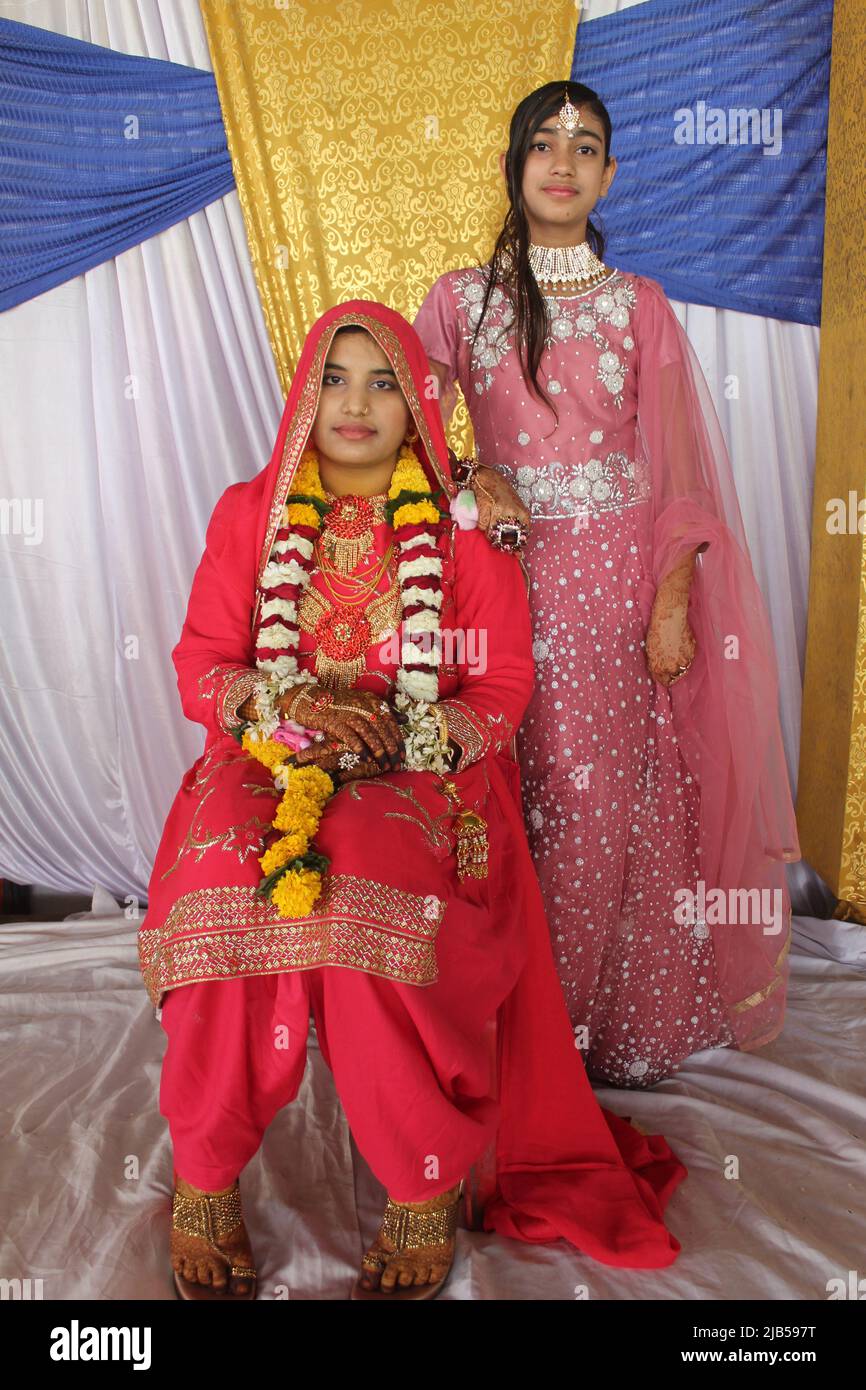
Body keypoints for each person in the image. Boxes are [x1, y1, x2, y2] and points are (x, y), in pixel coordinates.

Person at [139, 298, 687, 1302]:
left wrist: (410, 735)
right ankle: (204, 1175)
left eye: (383, 381)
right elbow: (199, 664)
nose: (356, 402)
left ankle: (420, 1178)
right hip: (269, 750)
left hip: (416, 766)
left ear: (420, 402)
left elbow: (503, 684)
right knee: (225, 873)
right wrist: (285, 701)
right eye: (337, 378)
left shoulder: (464, 527)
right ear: (306, 392)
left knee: (365, 878)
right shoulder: (246, 513)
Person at [413, 82, 801, 1090]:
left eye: (584, 146)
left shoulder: (639, 306)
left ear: (607, 174)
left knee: (601, 807)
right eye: (542, 142)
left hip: (618, 593)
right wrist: (465, 476)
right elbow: (397, 426)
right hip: (502, 586)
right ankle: (506, 1019)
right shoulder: (461, 302)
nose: (561, 160)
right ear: (513, 161)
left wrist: (669, 602)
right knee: (509, 796)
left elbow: (678, 477)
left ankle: (584, 1028)